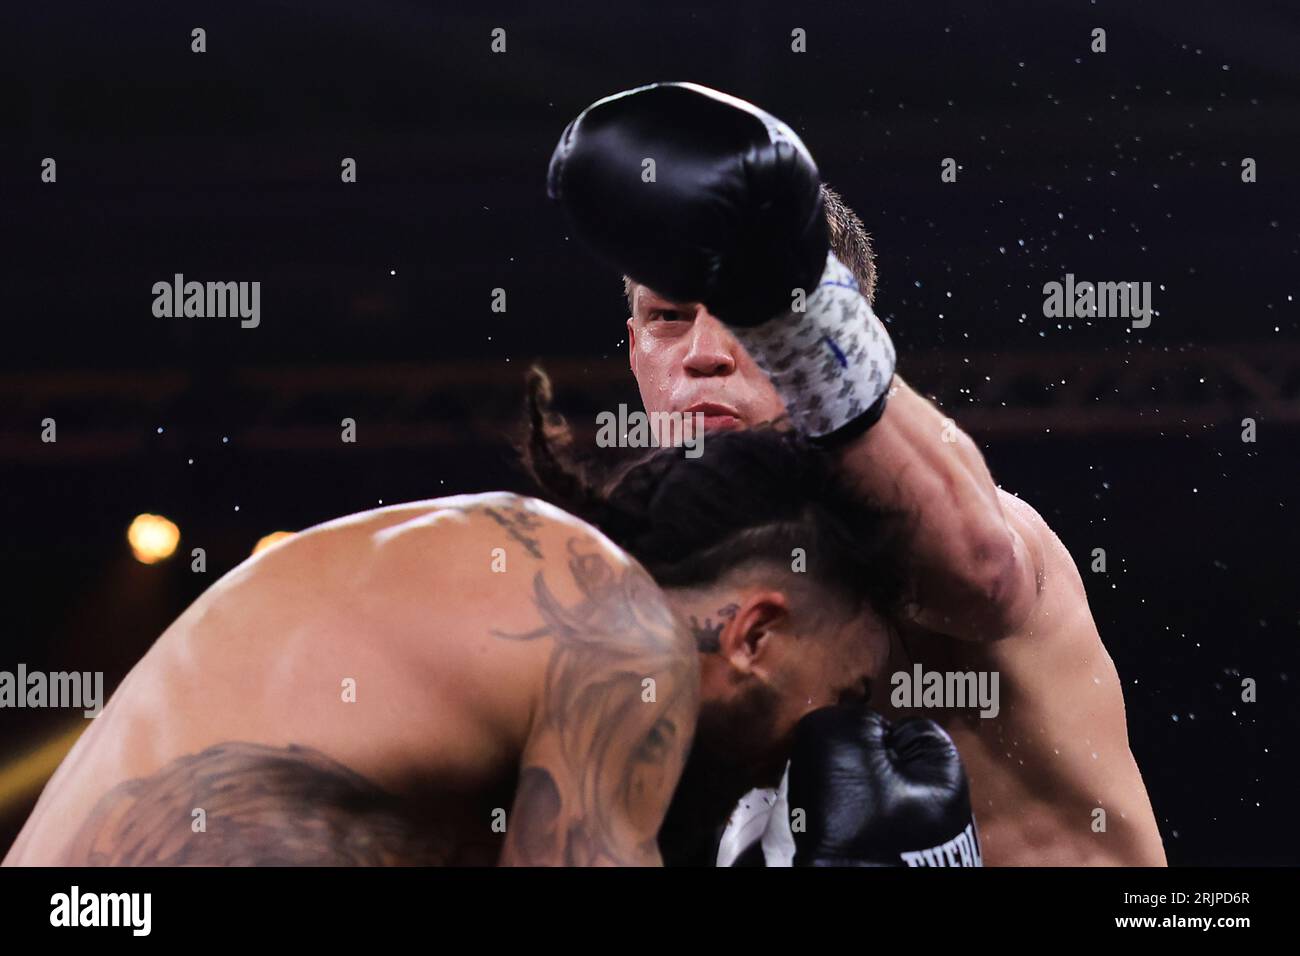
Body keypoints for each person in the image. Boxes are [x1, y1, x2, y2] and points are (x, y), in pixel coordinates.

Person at [547, 80, 1166, 866]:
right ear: (633, 346)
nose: (703, 352)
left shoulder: (958, 539)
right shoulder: (613, 607)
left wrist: (788, 287)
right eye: (666, 317)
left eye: (749, 317)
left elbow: (984, 573)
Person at [3, 413, 976, 866]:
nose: (830, 740)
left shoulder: (481, 583)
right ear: (759, 631)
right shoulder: (620, 643)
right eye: (845, 698)